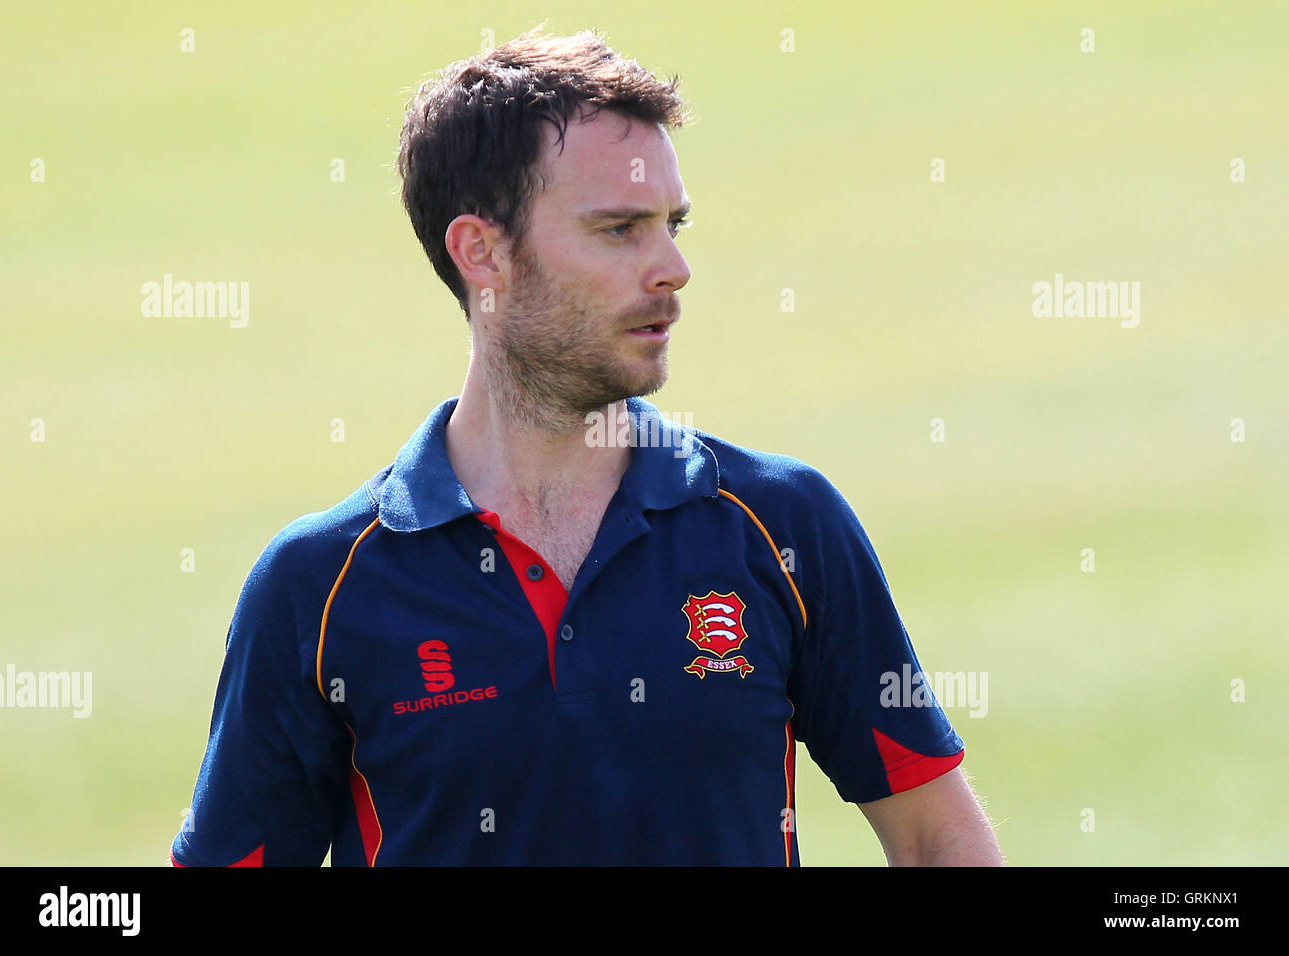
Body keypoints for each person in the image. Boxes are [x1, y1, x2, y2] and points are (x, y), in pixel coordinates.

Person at [170, 26, 1003, 866]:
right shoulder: (320, 587)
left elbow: (939, 841)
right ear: (481, 252)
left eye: (672, 223)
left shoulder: (782, 526)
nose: (673, 266)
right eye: (620, 230)